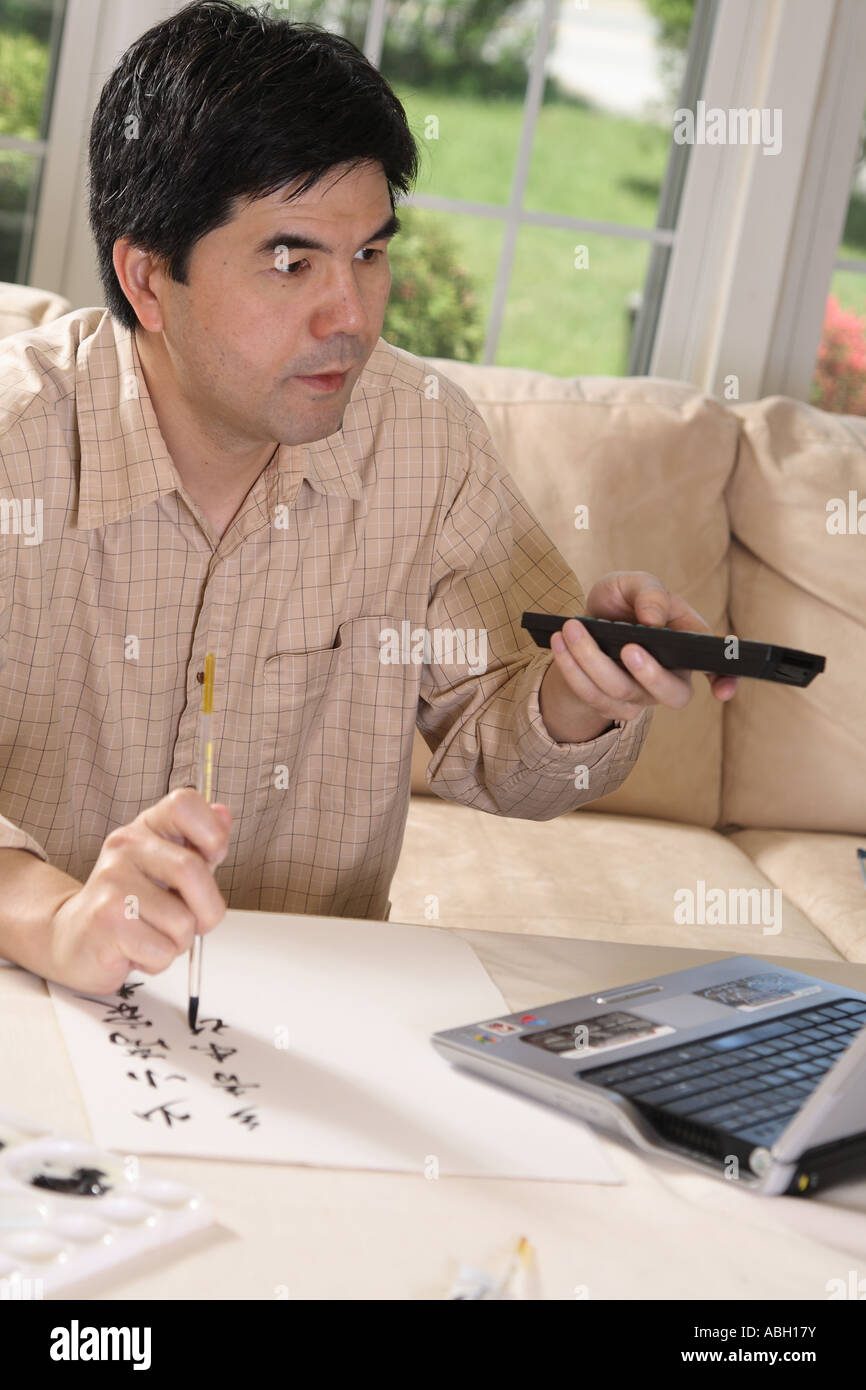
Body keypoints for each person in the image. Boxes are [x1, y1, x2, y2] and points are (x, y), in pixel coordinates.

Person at [0, 1, 736, 994]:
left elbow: (499, 750)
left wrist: (573, 694)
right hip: (32, 992)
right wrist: (55, 917)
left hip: (309, 1019)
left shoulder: (419, 436)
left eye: (370, 254)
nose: (348, 315)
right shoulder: (18, 444)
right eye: (289, 260)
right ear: (146, 278)